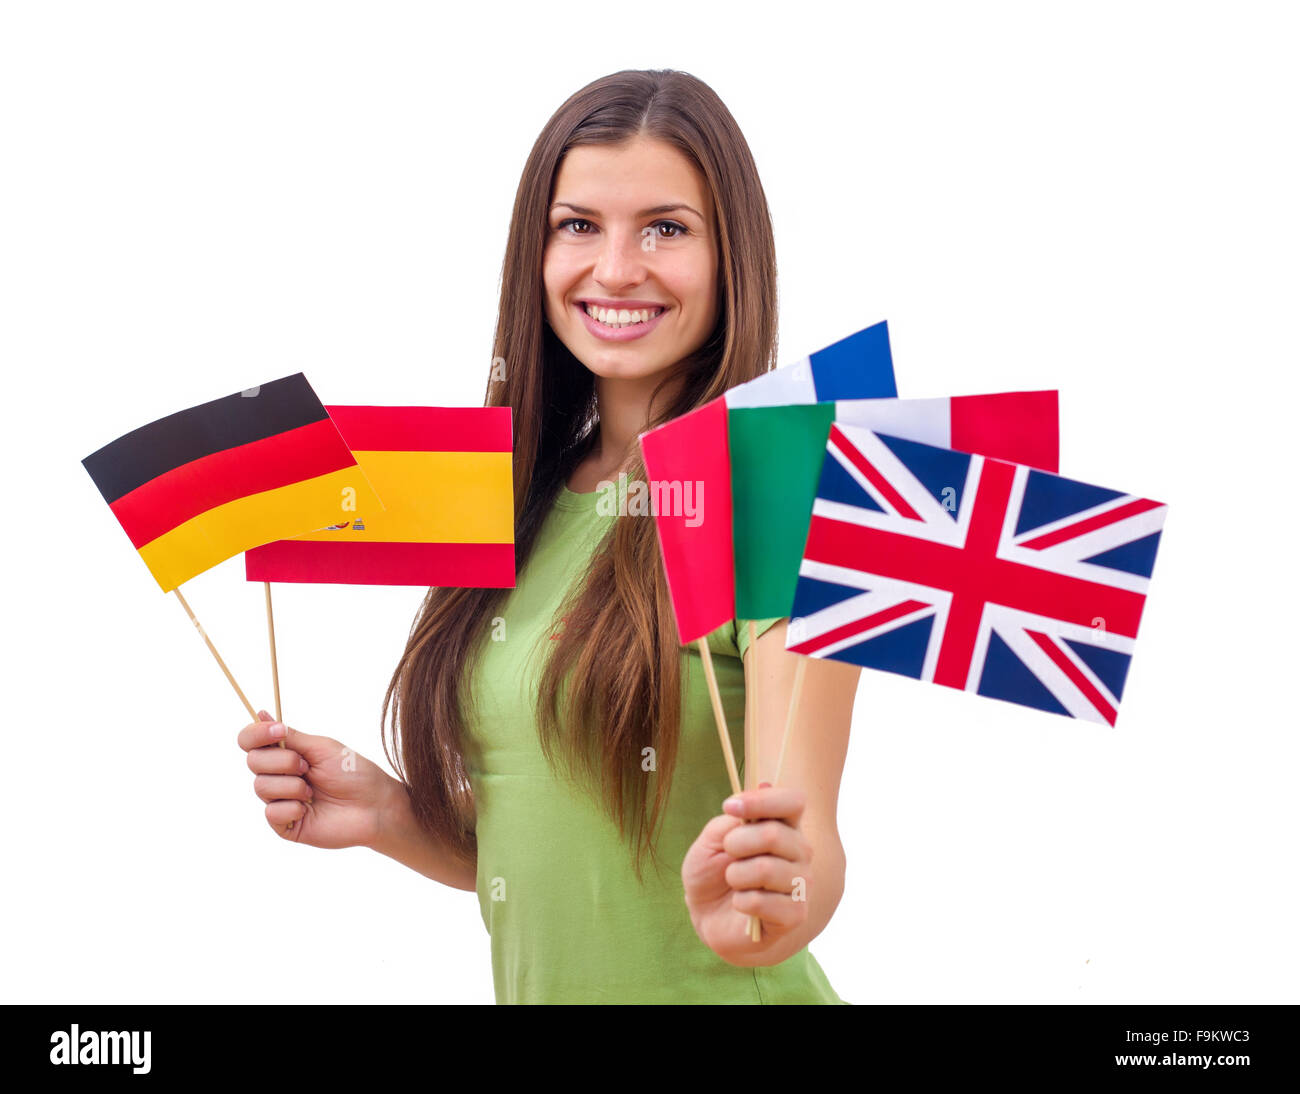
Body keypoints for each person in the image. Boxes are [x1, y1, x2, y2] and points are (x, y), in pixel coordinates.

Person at [238, 68, 862, 1004]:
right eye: (579, 225)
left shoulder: (781, 497)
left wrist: (773, 905)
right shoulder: (513, 506)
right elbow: (559, 857)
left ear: (733, 254)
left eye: (667, 227)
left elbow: (806, 851)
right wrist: (390, 813)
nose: (615, 269)